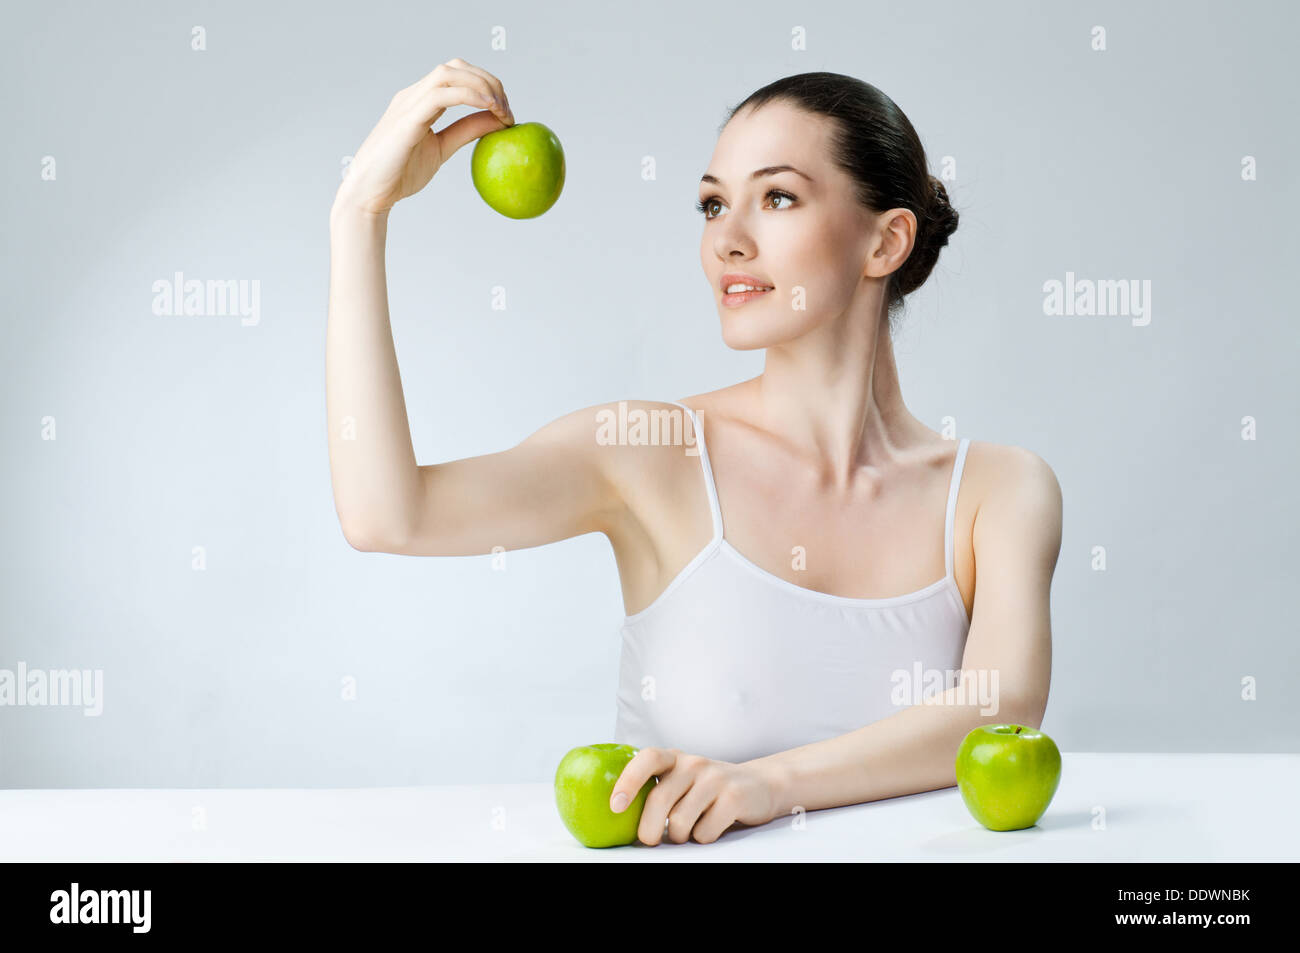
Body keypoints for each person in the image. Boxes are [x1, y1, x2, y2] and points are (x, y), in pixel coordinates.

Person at [326, 60, 1063, 846]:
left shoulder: (1001, 490)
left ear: (887, 240)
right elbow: (386, 516)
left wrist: (770, 784)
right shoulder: (646, 454)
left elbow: (1000, 704)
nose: (728, 241)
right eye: (714, 204)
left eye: (776, 197)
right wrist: (359, 214)